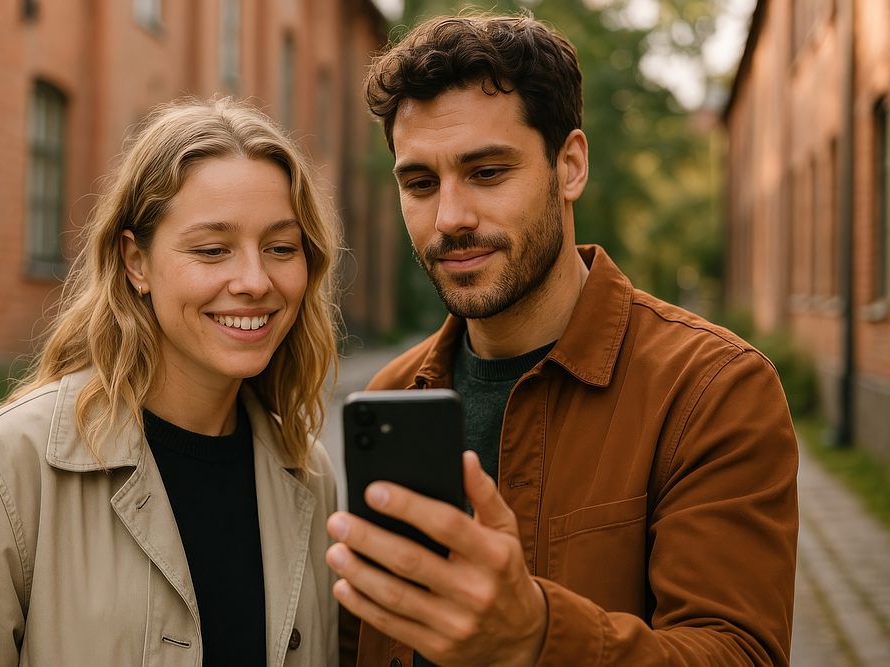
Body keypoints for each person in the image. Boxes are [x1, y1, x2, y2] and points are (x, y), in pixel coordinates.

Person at [328, 13, 798, 667]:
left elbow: (738, 653)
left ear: (570, 166)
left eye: (488, 172)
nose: (451, 217)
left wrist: (536, 633)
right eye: (420, 183)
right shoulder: (392, 395)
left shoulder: (712, 388)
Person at [0, 96, 342, 666]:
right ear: (136, 262)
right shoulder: (8, 469)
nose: (254, 280)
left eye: (280, 248)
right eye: (211, 250)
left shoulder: (306, 472)